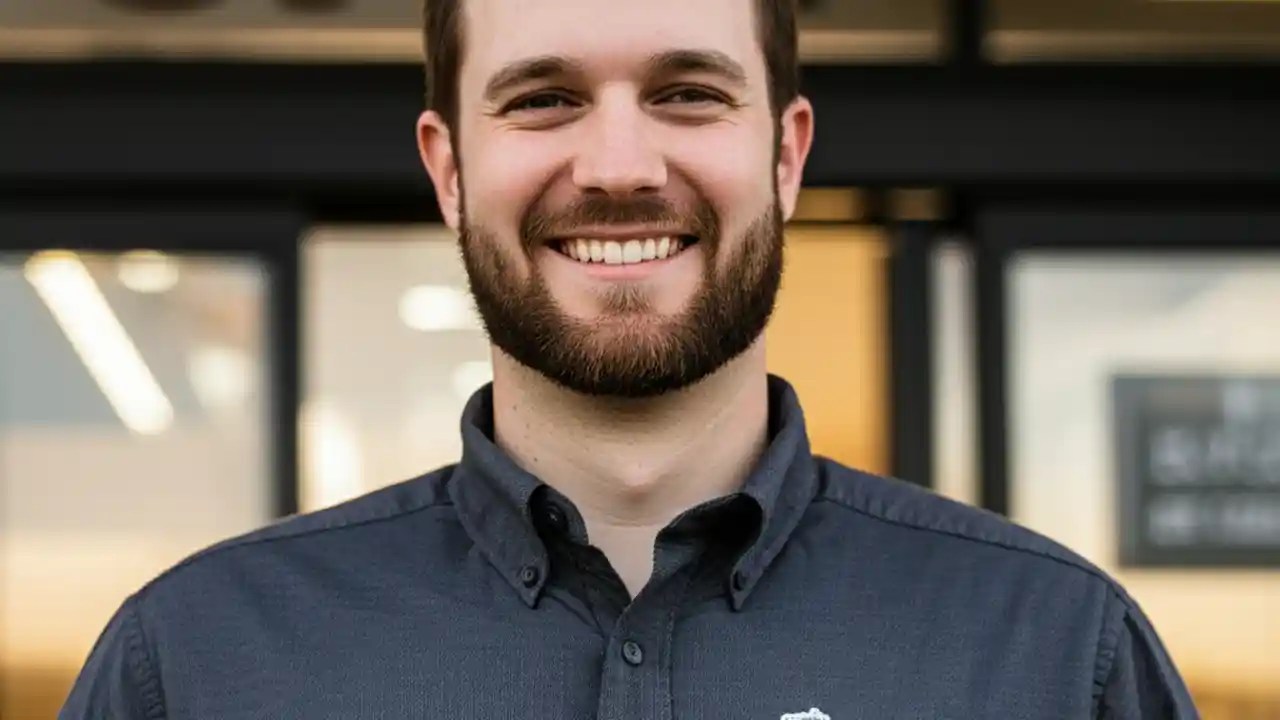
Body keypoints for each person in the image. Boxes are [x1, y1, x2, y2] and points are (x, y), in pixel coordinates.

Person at [62, 0, 1200, 717]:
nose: (617, 165)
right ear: (449, 170)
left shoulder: (1056, 655)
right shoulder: (196, 663)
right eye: (544, 99)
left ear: (786, 156)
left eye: (687, 94)